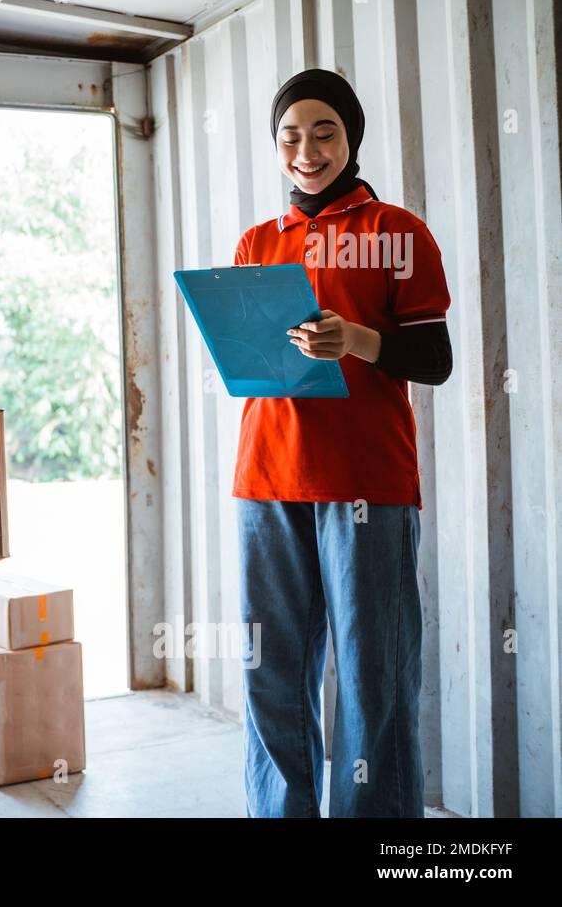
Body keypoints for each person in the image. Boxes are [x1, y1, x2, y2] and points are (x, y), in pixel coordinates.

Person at [232, 69, 452, 817]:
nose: (307, 149)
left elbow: (436, 359)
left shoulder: (399, 233)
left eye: (324, 131)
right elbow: (250, 355)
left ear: (351, 137)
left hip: (367, 482)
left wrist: (357, 339)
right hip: (267, 478)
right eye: (290, 135)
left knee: (373, 679)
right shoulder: (258, 242)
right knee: (273, 674)